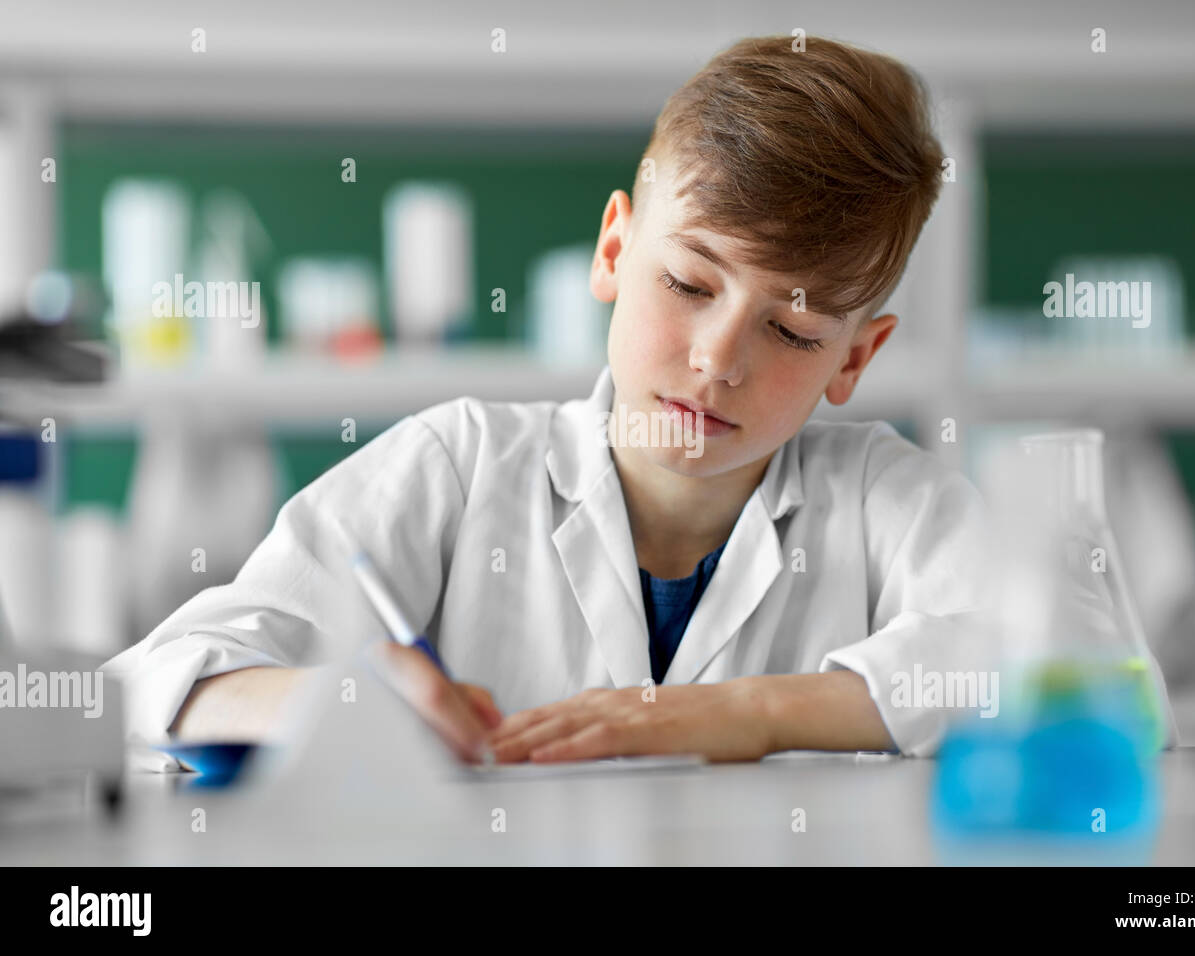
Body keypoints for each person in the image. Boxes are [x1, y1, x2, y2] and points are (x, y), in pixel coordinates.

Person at [102, 34, 998, 766]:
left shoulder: (888, 498)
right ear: (613, 250)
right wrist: (341, 702)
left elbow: (1092, 673)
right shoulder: (456, 465)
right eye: (688, 284)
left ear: (855, 358)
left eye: (794, 332)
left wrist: (747, 714)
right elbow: (155, 679)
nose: (717, 359)